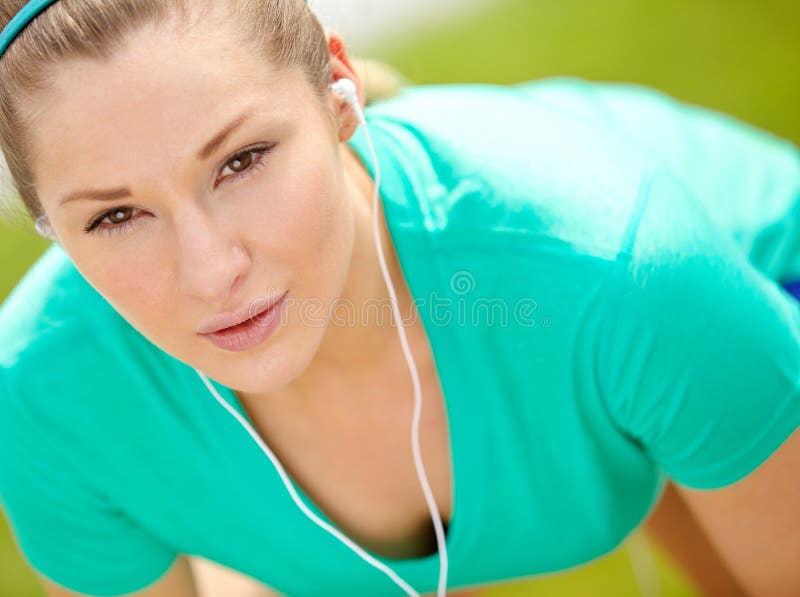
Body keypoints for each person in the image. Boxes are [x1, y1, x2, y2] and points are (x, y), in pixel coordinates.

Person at [0, 1, 799, 596]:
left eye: (242, 160)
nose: (210, 272)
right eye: (116, 215)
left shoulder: (623, 277)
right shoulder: (44, 399)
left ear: (337, 86)